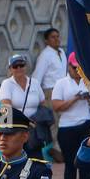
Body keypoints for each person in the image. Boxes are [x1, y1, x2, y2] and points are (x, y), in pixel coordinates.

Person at [49, 54, 90, 179]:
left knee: (86, 162)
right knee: (70, 164)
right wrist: (76, 98)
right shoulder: (61, 83)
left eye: (79, 68)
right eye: (74, 67)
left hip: (85, 124)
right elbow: (56, 107)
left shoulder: (87, 81)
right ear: (68, 66)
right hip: (67, 127)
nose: (77, 71)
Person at [0, 54, 47, 158]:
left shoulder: (34, 83)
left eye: (21, 65)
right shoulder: (6, 84)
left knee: (36, 159)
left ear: (26, 66)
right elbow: (6, 106)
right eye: (15, 66)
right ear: (10, 69)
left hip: (34, 130)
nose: (19, 68)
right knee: (17, 159)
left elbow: (42, 104)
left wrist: (37, 119)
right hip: (16, 130)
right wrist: (25, 122)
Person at [31, 28, 68, 161]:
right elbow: (37, 77)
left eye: (58, 36)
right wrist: (37, 97)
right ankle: (57, 151)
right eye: (53, 37)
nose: (56, 39)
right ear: (46, 40)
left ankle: (60, 149)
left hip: (63, 91)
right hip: (50, 92)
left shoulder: (62, 52)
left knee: (65, 121)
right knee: (55, 123)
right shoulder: (45, 55)